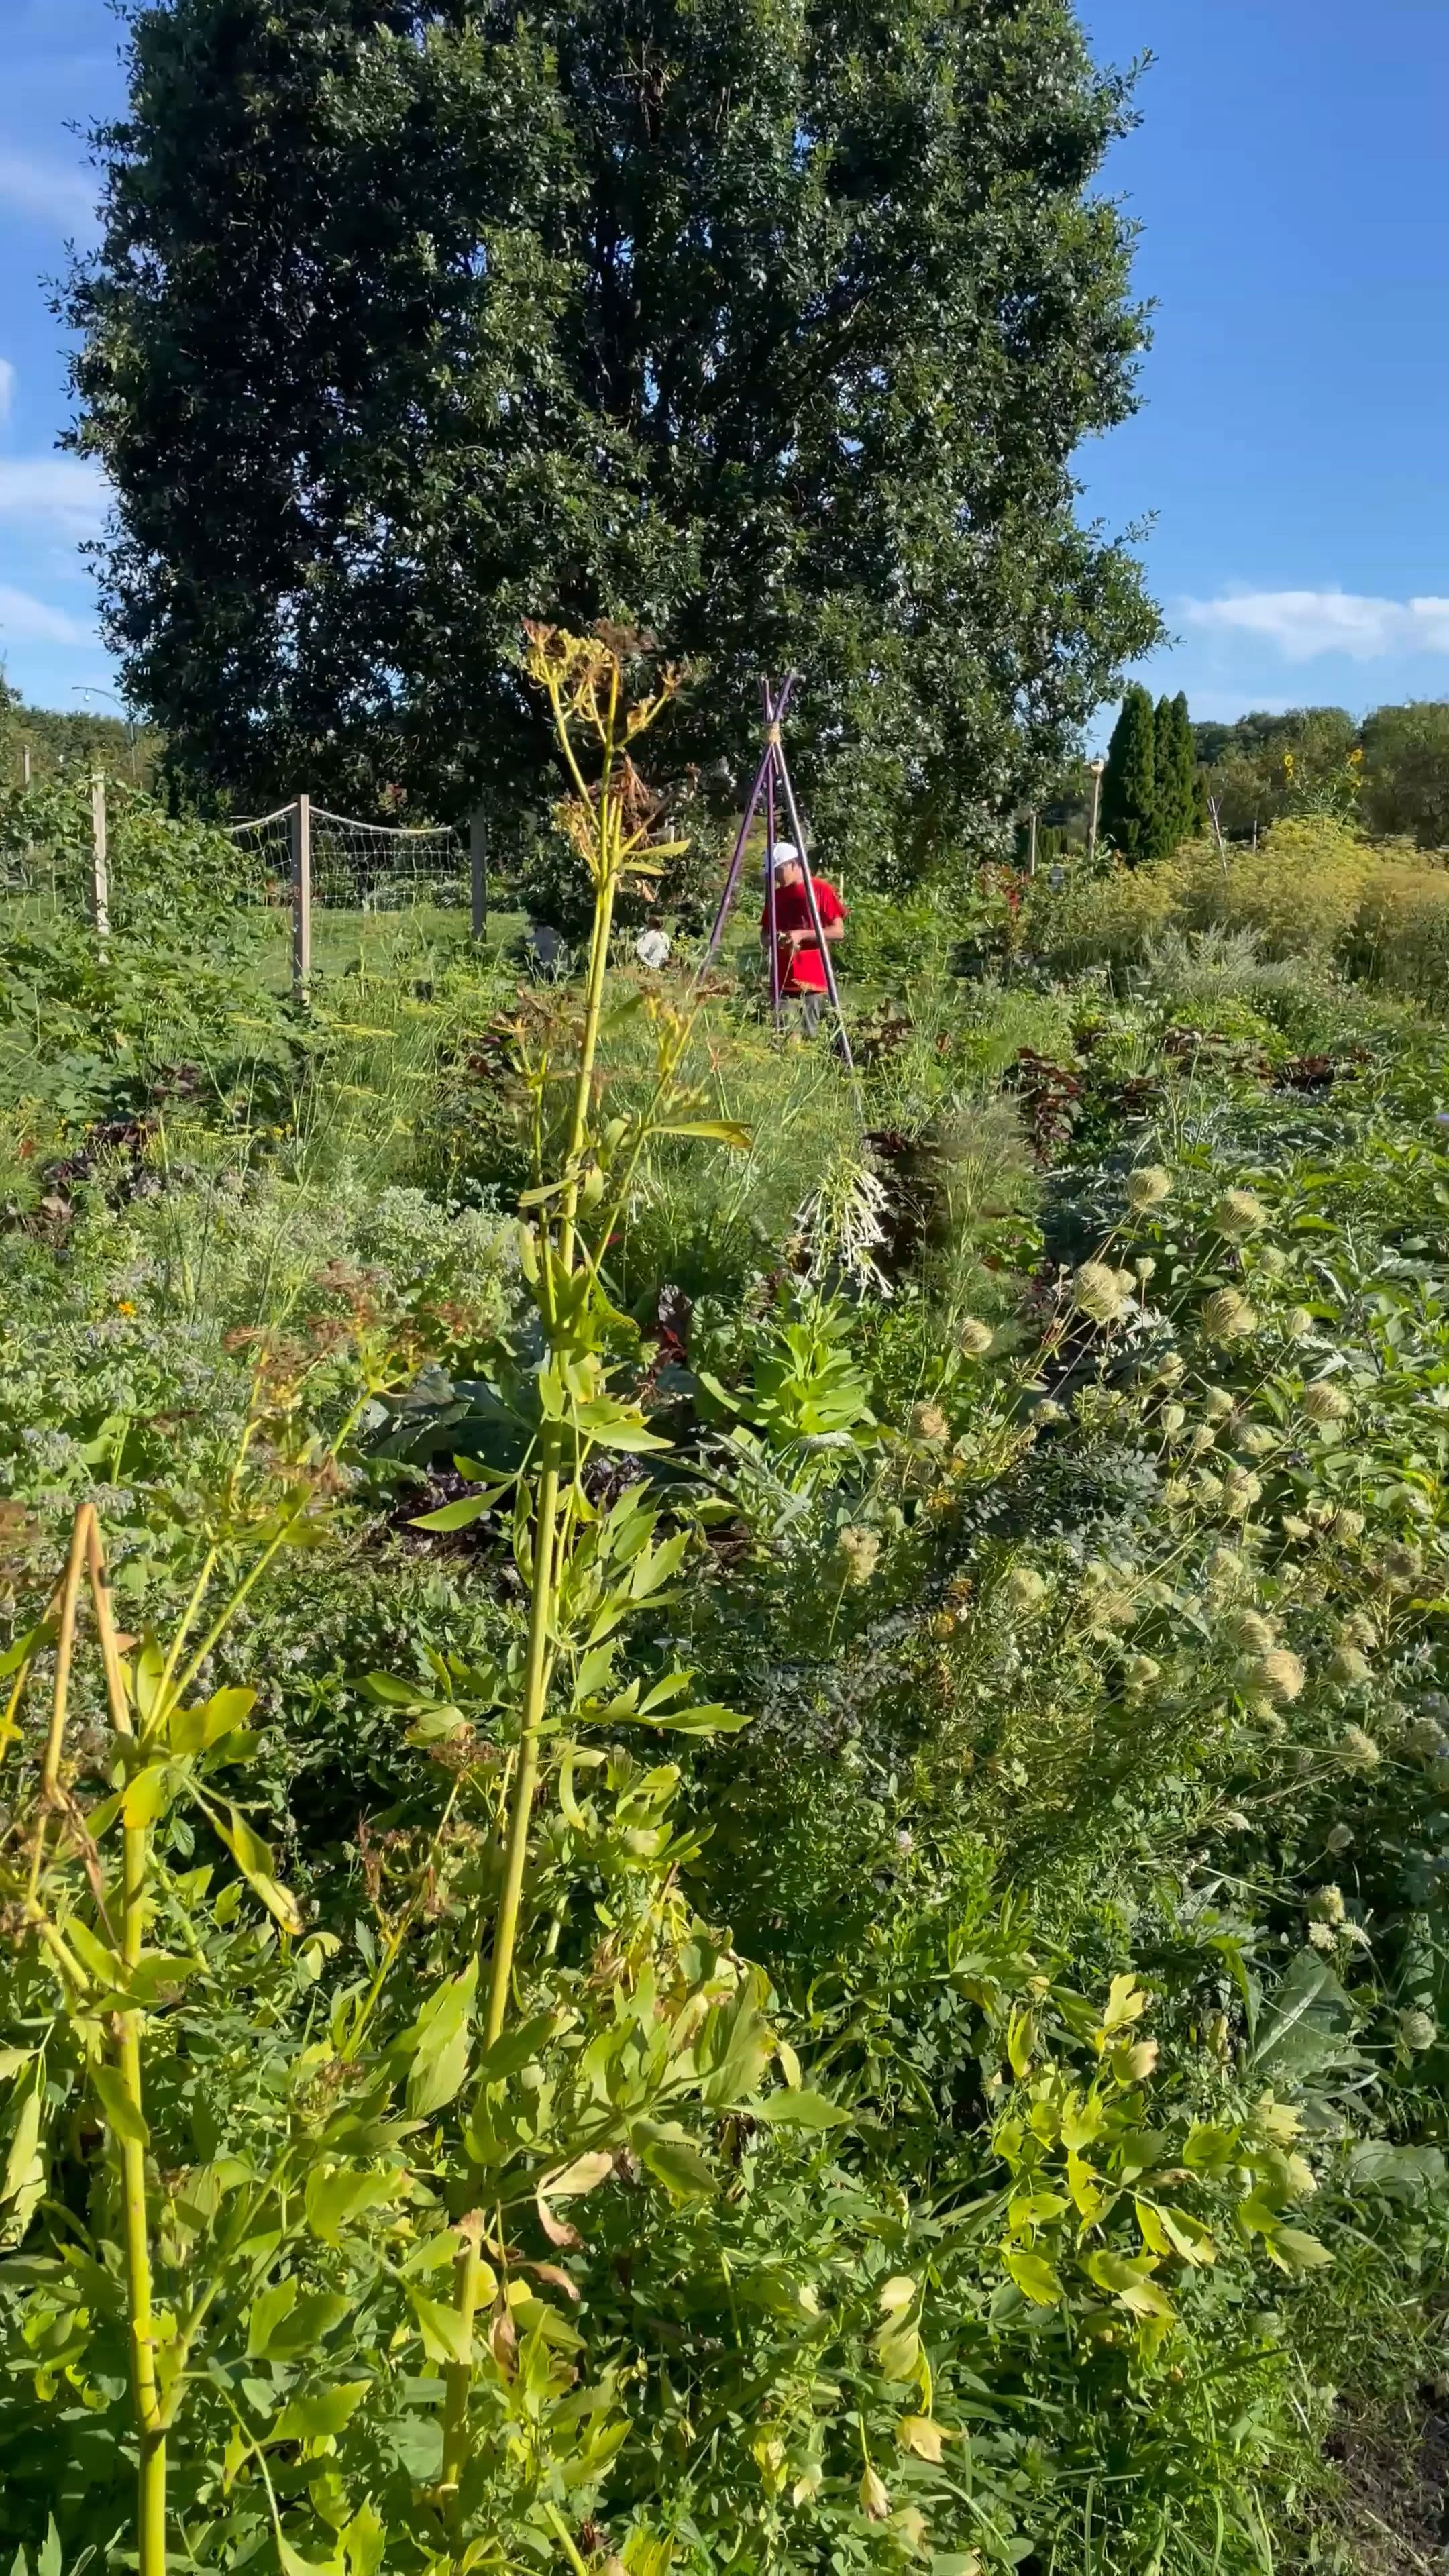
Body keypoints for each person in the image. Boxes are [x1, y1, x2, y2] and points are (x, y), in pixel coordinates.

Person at [759, 839, 845, 1035]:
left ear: (793, 863)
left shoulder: (820, 890)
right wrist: (775, 939)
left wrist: (802, 935)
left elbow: (838, 932)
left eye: (778, 871)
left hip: (813, 982)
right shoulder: (776, 896)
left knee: (809, 1038)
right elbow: (764, 937)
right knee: (782, 1040)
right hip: (782, 982)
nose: (775, 877)